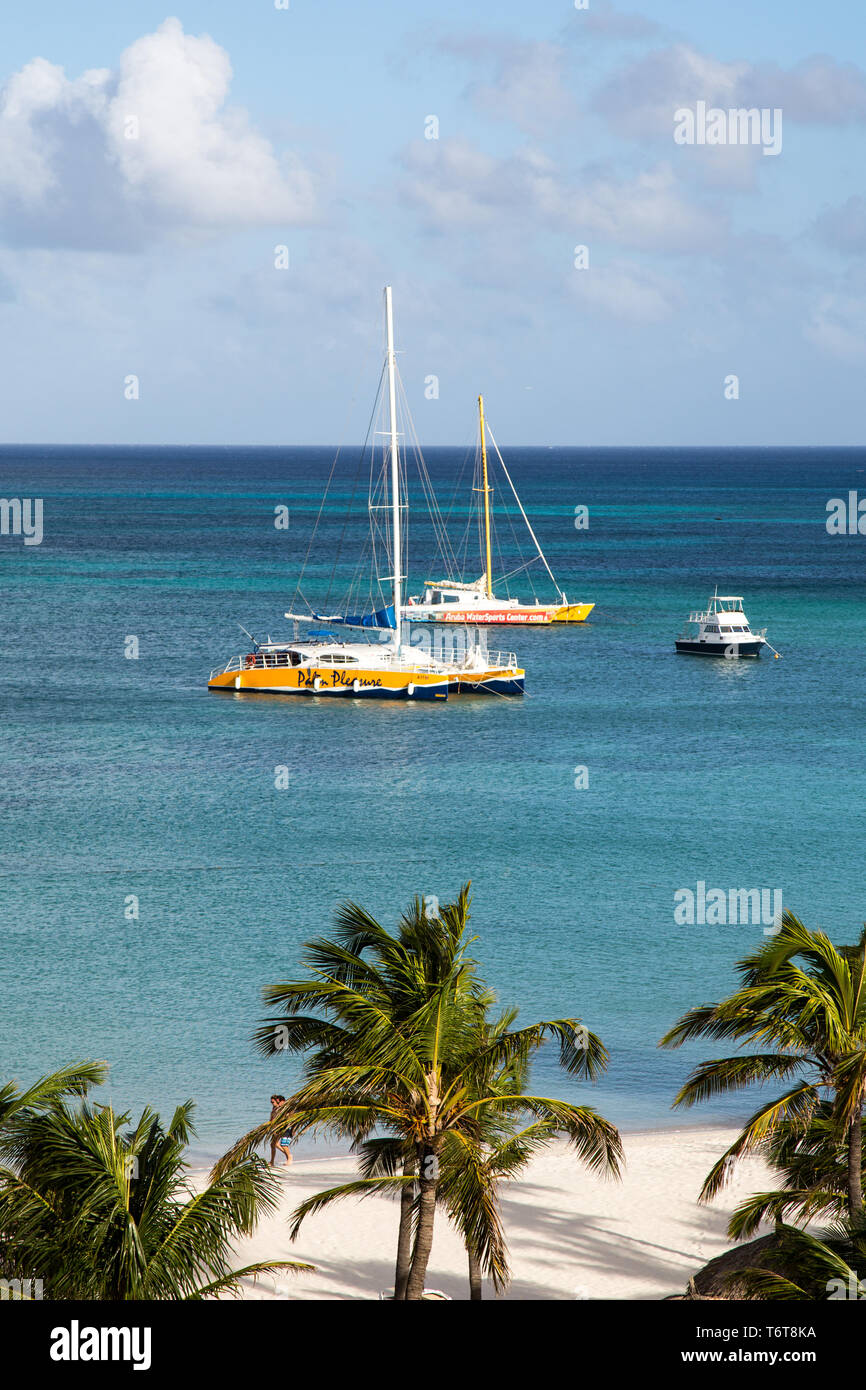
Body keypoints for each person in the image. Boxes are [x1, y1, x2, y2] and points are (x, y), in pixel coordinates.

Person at [269, 1094, 294, 1168]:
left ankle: (289, 1156)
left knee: (283, 1144)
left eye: (273, 1102)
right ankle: (272, 1161)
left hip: (282, 1128)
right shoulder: (274, 1109)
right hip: (275, 1128)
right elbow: (272, 1119)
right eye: (271, 1102)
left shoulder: (282, 1109)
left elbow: (287, 1118)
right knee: (273, 1144)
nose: (272, 1103)